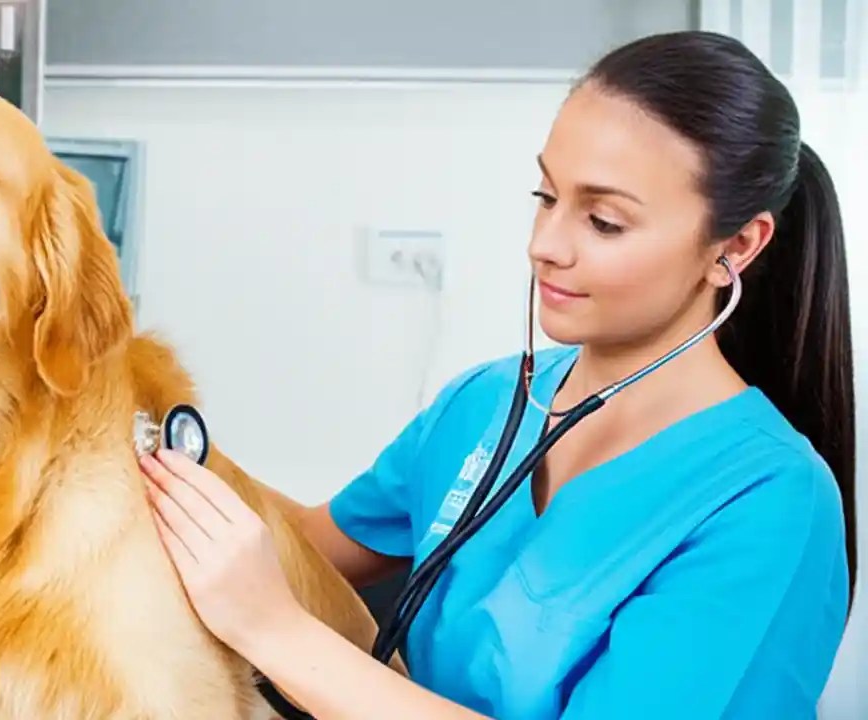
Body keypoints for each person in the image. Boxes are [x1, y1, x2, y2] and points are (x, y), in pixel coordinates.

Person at [139, 29, 857, 720]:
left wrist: (276, 632)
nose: (546, 246)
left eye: (603, 221)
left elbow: (269, 602)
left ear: (734, 247)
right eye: (545, 198)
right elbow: (298, 547)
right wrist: (141, 428)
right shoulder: (486, 403)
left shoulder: (770, 504)